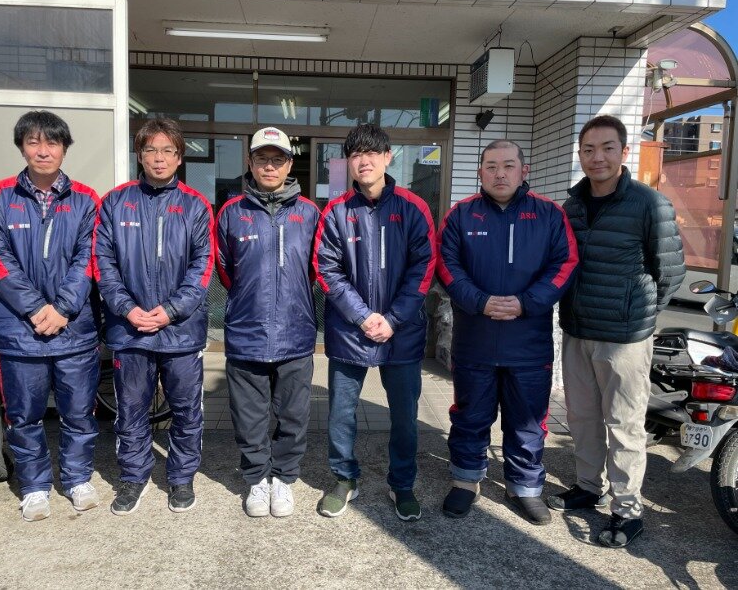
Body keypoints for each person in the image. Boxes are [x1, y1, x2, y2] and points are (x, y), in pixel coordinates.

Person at [549, 115, 685, 547]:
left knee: (624, 424)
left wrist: (639, 314)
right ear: (580, 154)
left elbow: (670, 272)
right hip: (578, 328)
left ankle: (627, 509)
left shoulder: (650, 204)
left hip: (625, 337)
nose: (597, 157)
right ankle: (588, 486)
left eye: (607, 148)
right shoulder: (572, 206)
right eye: (588, 149)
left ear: (624, 152)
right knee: (582, 417)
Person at [436, 140, 578, 525]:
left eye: (509, 166)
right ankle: (466, 480)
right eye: (492, 166)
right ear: (480, 172)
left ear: (523, 171)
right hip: (475, 340)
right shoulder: (461, 215)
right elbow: (446, 265)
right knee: (470, 415)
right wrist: (479, 301)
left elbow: (565, 264)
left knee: (528, 420)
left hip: (528, 342)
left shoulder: (548, 214)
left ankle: (525, 487)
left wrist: (526, 302)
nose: (500, 173)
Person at [0, 110, 101, 521]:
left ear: (65, 148)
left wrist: (63, 308)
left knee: (78, 412)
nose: (43, 151)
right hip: (19, 329)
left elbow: (88, 258)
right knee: (24, 415)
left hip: (73, 328)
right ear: (22, 147)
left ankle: (77, 478)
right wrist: (35, 308)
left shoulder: (86, 200)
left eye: (52, 143)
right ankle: (34, 486)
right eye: (34, 142)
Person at [314, 123, 436, 521]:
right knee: (341, 413)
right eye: (355, 154)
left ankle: (402, 484)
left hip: (402, 332)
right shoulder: (337, 211)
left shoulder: (413, 208)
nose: (363, 161)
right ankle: (344, 478)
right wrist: (364, 317)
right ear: (347, 162)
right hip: (350, 331)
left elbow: (424, 267)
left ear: (387, 157)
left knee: (405, 417)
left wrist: (394, 319)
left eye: (371, 153)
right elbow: (327, 269)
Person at [94, 118, 214, 516]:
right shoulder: (115, 202)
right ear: (139, 155)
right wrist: (127, 308)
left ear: (179, 158)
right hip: (130, 330)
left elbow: (203, 267)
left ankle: (181, 477)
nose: (159, 158)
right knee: (131, 410)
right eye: (151, 150)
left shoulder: (195, 205)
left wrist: (171, 311)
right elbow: (103, 264)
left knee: (186, 411)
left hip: (181, 331)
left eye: (167, 151)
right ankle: (134, 477)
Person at [215, 127, 320, 518]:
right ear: (251, 162)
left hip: (295, 332)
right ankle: (257, 478)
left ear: (290, 164)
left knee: (293, 415)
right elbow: (225, 269)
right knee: (249, 416)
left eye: (278, 159)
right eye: (262, 159)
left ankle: (284, 478)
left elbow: (314, 269)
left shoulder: (309, 213)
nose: (270, 166)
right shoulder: (231, 212)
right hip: (247, 332)